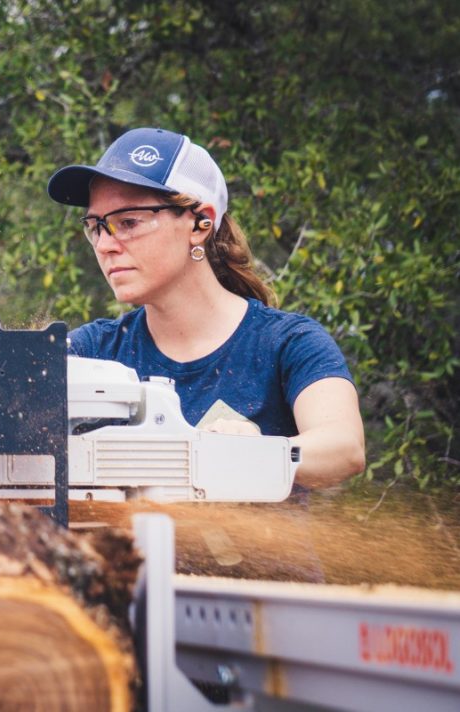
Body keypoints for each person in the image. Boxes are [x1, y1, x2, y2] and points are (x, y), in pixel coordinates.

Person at [47, 127, 365, 490]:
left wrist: (254, 453)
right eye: (96, 227)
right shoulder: (93, 352)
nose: (105, 245)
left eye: (128, 222)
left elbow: (344, 448)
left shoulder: (287, 343)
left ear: (200, 224)